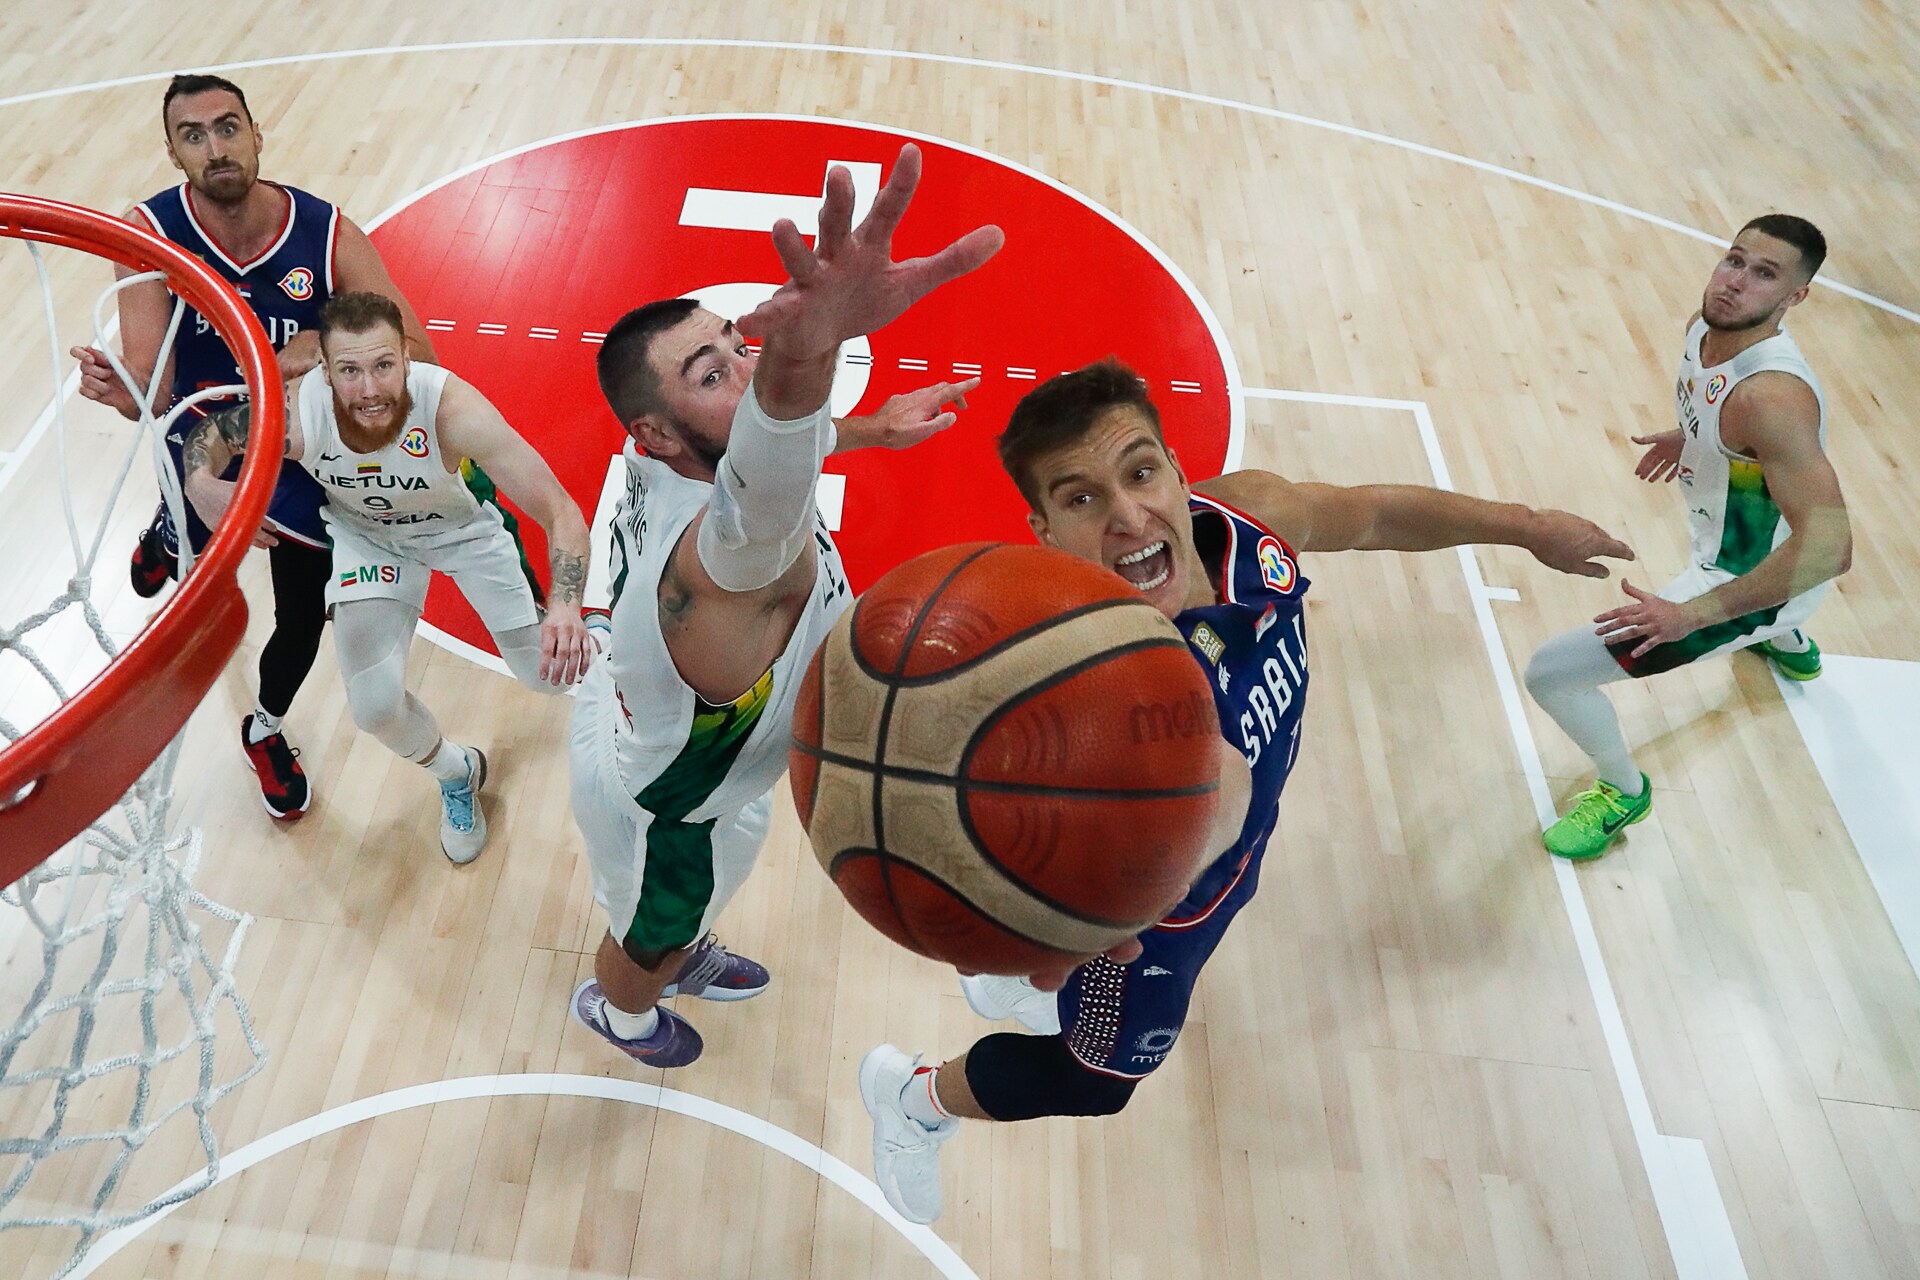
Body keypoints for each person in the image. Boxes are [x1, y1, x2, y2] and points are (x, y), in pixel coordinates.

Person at [858, 357, 1636, 1224]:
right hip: (1142, 924)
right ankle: (914, 1100)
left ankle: (1030, 989)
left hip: (1226, 863)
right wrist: (1041, 919)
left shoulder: (1249, 519)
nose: (1128, 516)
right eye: (1081, 500)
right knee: (1095, 1081)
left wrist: (1527, 527)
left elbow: (1376, 514)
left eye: (1141, 472)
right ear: (1042, 528)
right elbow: (1204, 800)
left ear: (1179, 472)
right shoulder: (1072, 678)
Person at [568, 143, 1002, 1068]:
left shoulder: (668, 457)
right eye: (709, 373)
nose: (746, 372)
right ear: (653, 428)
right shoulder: (724, 555)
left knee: (735, 854)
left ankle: (684, 949)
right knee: (650, 930)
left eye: (740, 345)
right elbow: (767, 474)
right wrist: (810, 349)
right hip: (664, 805)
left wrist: (871, 429)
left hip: (702, 749)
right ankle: (624, 1009)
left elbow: (769, 452)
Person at [70, 73, 534, 821]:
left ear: (258, 134)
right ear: (173, 152)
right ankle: (169, 530)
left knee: (299, 610)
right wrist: (121, 391)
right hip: (204, 443)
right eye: (194, 136)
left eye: (228, 127)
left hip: (297, 448)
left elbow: (424, 356)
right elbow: (154, 395)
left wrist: (327, 342)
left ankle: (266, 728)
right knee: (192, 518)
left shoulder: (326, 234)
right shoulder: (149, 236)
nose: (215, 148)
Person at [178, 291, 594, 864]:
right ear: (324, 370)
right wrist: (200, 486)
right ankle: (457, 773)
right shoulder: (299, 413)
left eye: (382, 365)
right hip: (369, 539)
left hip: (462, 534)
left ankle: (618, 645)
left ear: (407, 355)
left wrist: (567, 606)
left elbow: (560, 511)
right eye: (348, 370)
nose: (369, 389)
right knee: (373, 706)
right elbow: (215, 435)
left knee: (547, 676)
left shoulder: (451, 411)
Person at [1523, 214, 1851, 861]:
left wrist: (1691, 615)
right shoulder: (1705, 330)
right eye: (1735, 260)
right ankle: (1784, 642)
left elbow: (1830, 549)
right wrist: (1693, 435)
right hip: (1738, 545)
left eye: (1765, 275)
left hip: (1744, 583)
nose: (1736, 283)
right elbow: (1722, 412)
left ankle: (1624, 790)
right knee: (1761, 556)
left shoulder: (1772, 398)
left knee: (1551, 674)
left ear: (1795, 298)